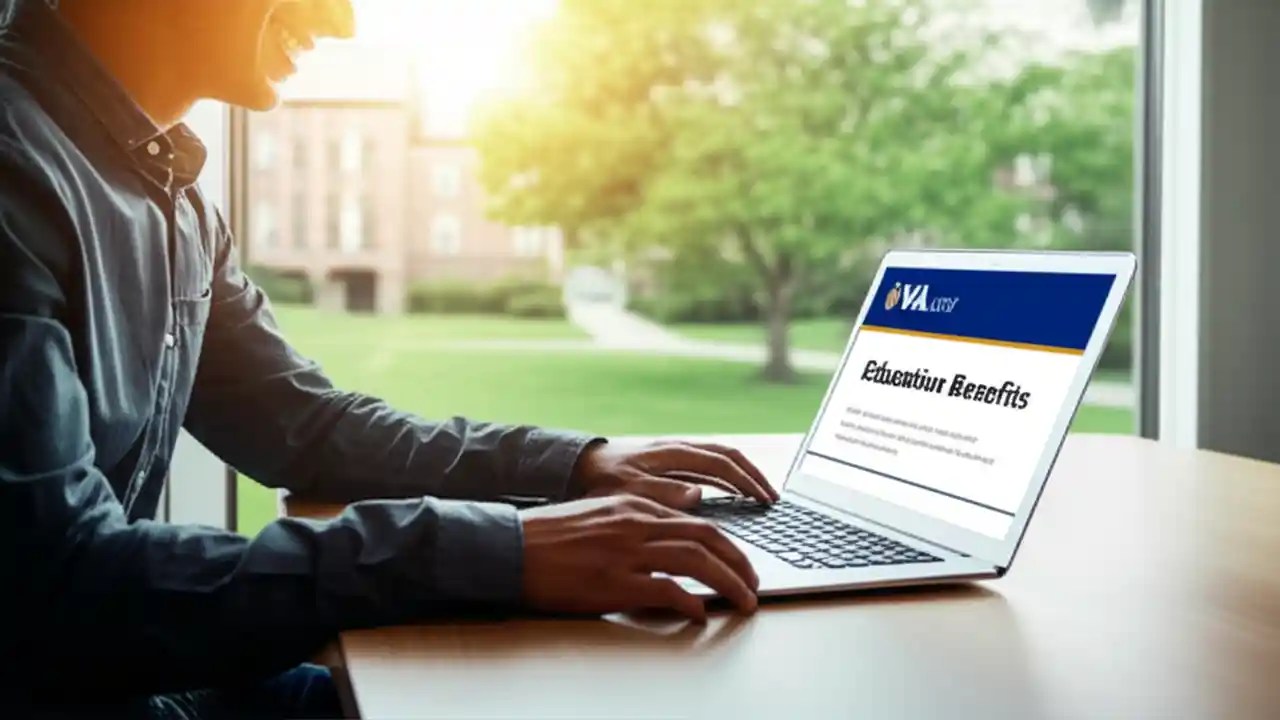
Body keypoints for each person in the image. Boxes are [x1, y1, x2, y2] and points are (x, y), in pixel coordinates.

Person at [0, 1, 778, 716]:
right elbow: (62, 582)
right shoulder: (14, 166)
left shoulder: (174, 198)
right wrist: (494, 552)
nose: (338, 22)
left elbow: (302, 424)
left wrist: (575, 465)